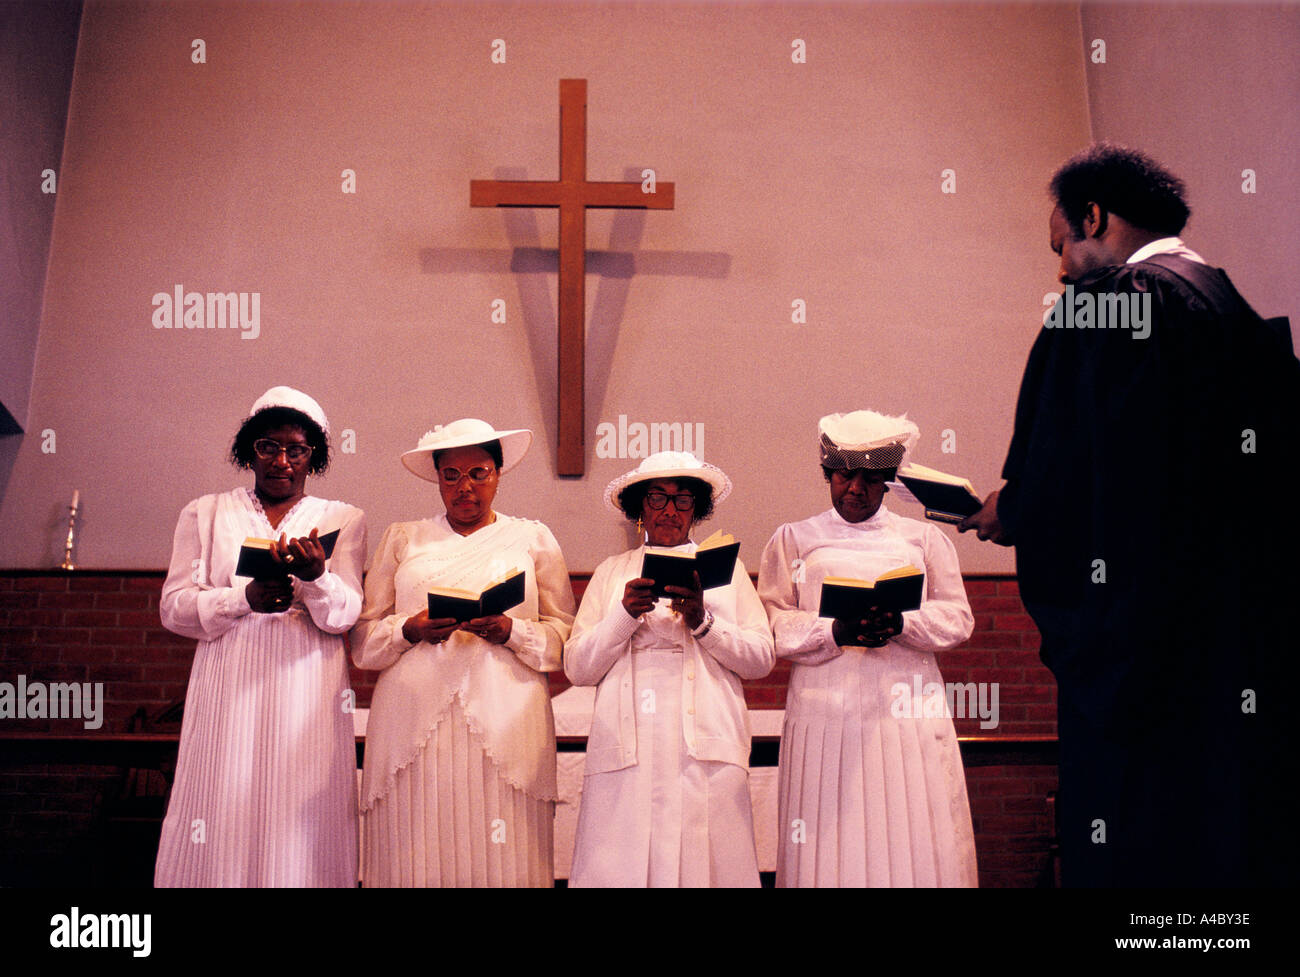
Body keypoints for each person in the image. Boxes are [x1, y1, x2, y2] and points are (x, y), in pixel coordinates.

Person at [959, 143, 1298, 886]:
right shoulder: (1236, 312)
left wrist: (1010, 509)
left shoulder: (1120, 301)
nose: (1058, 270)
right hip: (1249, 645)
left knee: (1140, 847)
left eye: (1061, 244)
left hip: (1145, 659)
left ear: (1094, 215)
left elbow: (1084, 463)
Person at [156, 386, 365, 887]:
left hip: (306, 692)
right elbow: (173, 608)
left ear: (313, 457)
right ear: (249, 449)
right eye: (268, 446)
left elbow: (347, 614)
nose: (282, 461)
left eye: (297, 449)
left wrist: (315, 579)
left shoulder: (343, 519)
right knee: (223, 798)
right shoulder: (204, 513)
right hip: (229, 687)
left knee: (298, 808)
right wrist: (241, 600)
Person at [758, 411, 977, 887]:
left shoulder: (923, 538)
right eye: (843, 475)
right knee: (829, 832)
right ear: (828, 475)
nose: (854, 489)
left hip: (904, 709)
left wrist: (901, 622)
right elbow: (771, 623)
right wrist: (833, 631)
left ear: (887, 482)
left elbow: (958, 618)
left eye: (870, 479)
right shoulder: (794, 538)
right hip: (826, 709)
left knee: (908, 825)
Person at [352, 419, 575, 887]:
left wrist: (513, 631)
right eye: (451, 475)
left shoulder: (532, 539)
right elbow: (363, 642)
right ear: (437, 479)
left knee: (505, 841)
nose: (465, 487)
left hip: (507, 716)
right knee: (415, 842)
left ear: (498, 474)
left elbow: (566, 640)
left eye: (479, 472)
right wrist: (408, 629)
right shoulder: (403, 538)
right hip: (413, 718)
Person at [565, 451, 774, 887]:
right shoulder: (611, 573)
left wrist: (703, 621)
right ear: (639, 507)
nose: (669, 511)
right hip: (630, 747)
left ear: (696, 510)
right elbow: (578, 667)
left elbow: (761, 659)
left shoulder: (727, 571)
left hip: (703, 747)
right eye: (658, 498)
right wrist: (623, 616)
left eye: (682, 501)